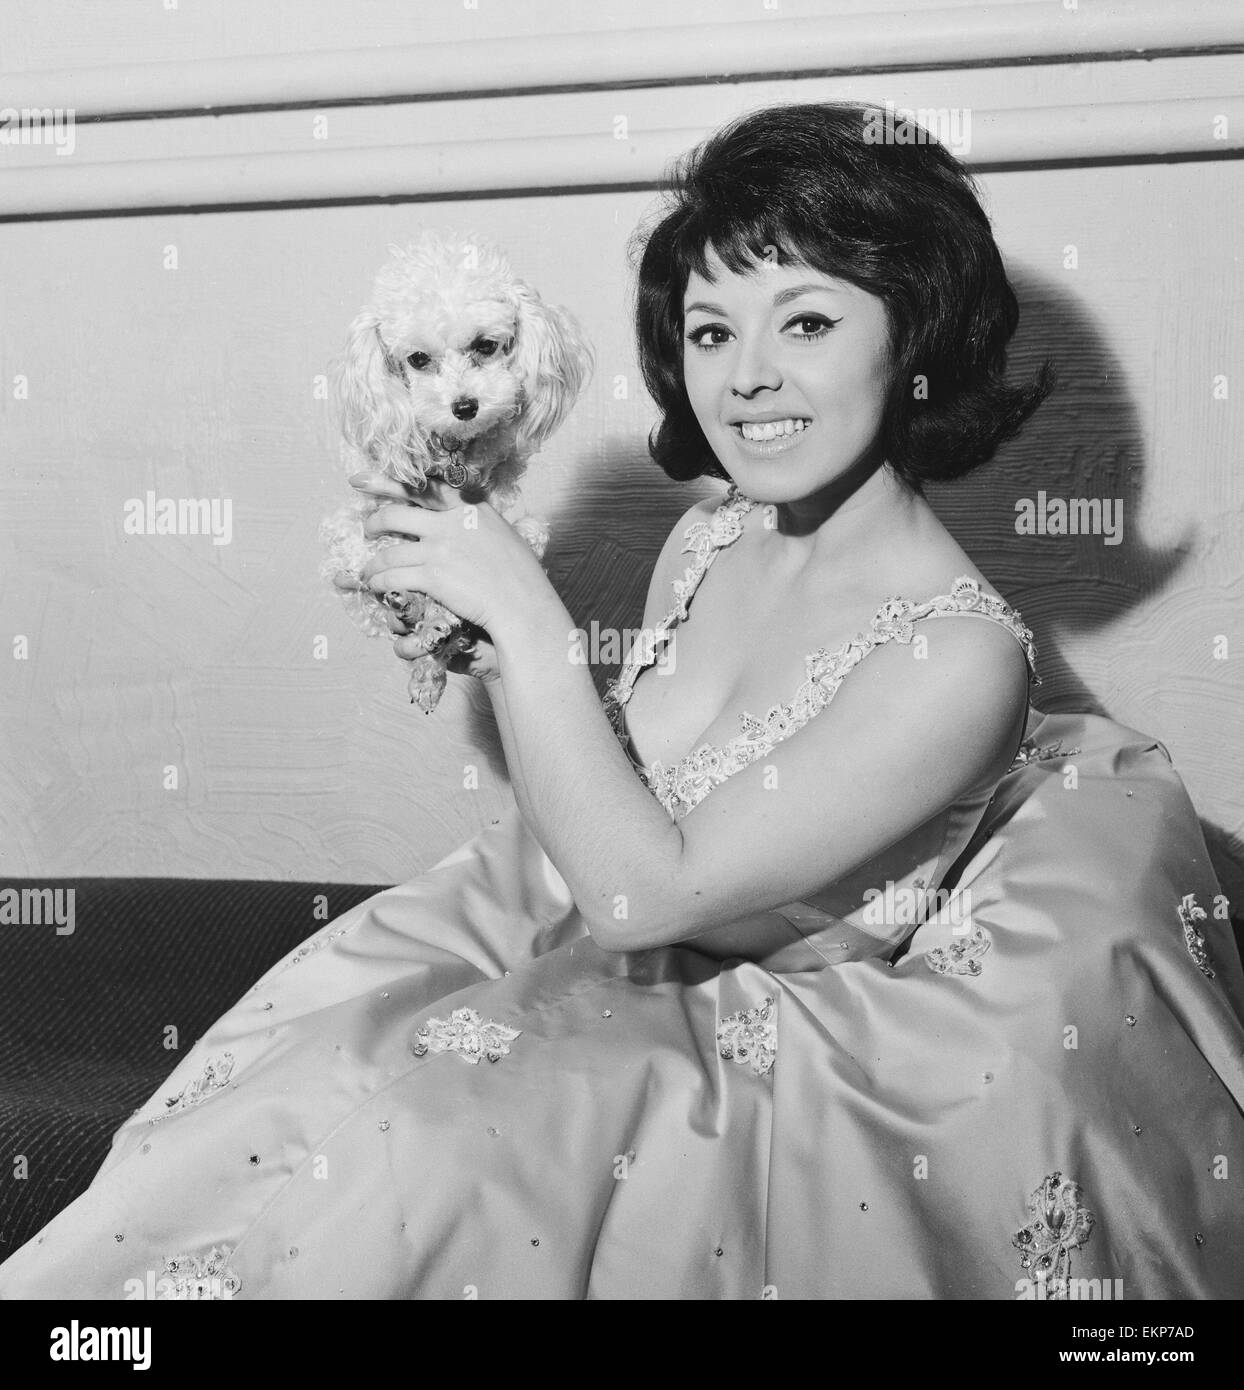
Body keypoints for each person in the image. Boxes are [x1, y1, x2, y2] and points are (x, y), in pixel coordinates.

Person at [2, 101, 1241, 1301]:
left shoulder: (960, 657)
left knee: (428, 1147)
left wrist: (538, 629)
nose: (747, 379)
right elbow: (604, 800)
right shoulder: (710, 539)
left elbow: (648, 888)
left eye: (804, 323)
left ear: (911, 336)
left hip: (754, 1054)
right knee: (292, 1087)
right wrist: (487, 644)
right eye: (709, 334)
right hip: (595, 967)